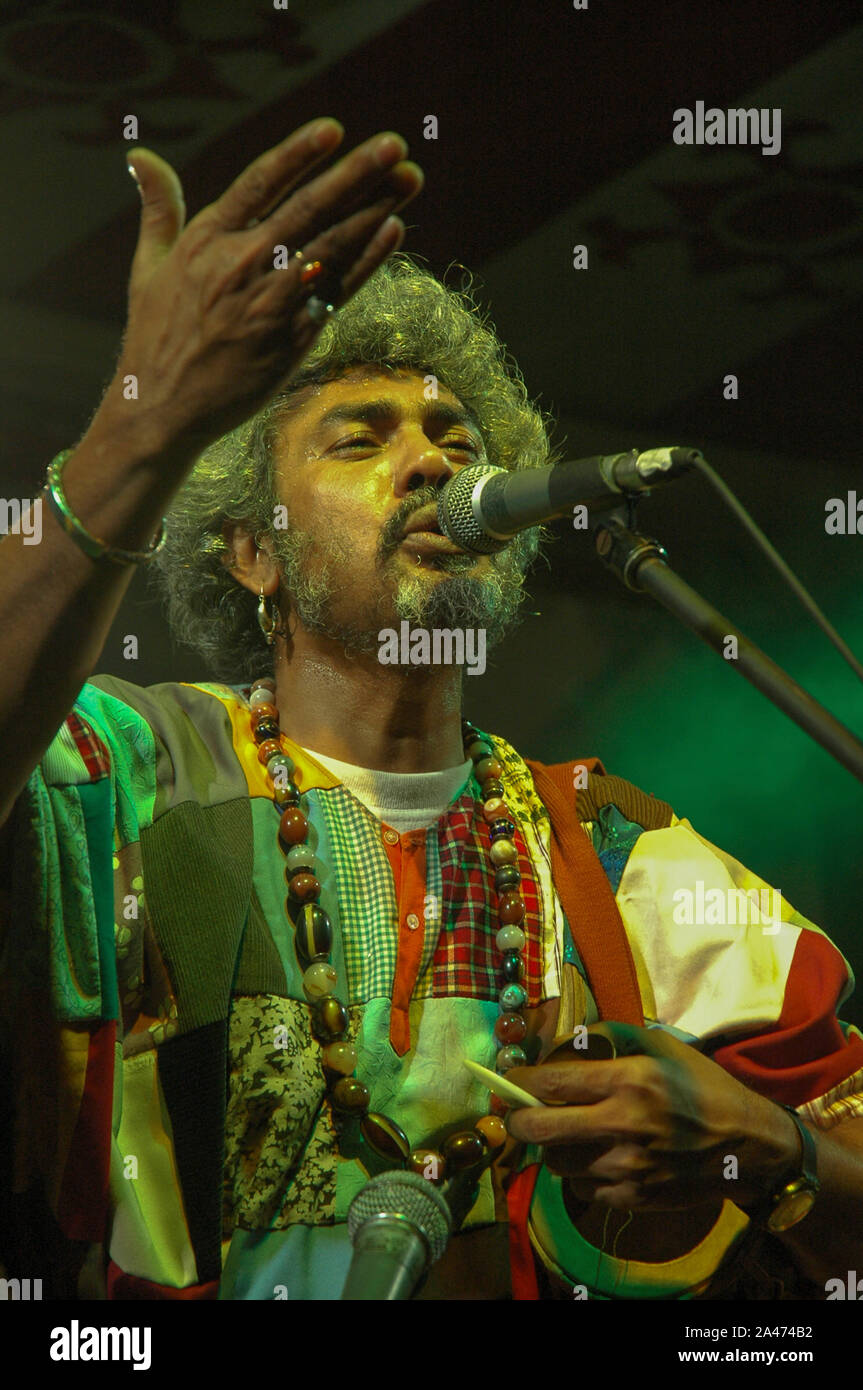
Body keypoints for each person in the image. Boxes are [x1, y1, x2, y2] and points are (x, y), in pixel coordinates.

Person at [1, 118, 862, 1303]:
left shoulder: (620, 859)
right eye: (360, 439)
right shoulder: (131, 771)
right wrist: (143, 431)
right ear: (253, 552)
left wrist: (765, 1148)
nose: (432, 465)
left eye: (455, 440)